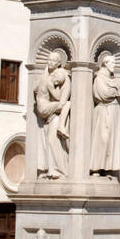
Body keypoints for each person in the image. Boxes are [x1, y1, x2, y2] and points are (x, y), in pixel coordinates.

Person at [33, 48, 71, 179]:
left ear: (58, 63)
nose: (50, 62)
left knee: (50, 140)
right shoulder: (49, 80)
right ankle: (54, 169)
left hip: (46, 110)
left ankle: (53, 169)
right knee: (66, 104)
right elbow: (58, 98)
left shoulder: (47, 77)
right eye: (49, 60)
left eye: (53, 60)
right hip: (45, 108)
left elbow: (35, 88)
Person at [89, 51, 120, 175]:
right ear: (105, 63)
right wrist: (115, 90)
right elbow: (104, 94)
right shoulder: (99, 78)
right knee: (102, 139)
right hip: (104, 111)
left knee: (111, 141)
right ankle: (96, 168)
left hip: (113, 111)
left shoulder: (112, 79)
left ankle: (106, 168)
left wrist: (115, 89)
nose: (114, 65)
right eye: (113, 62)